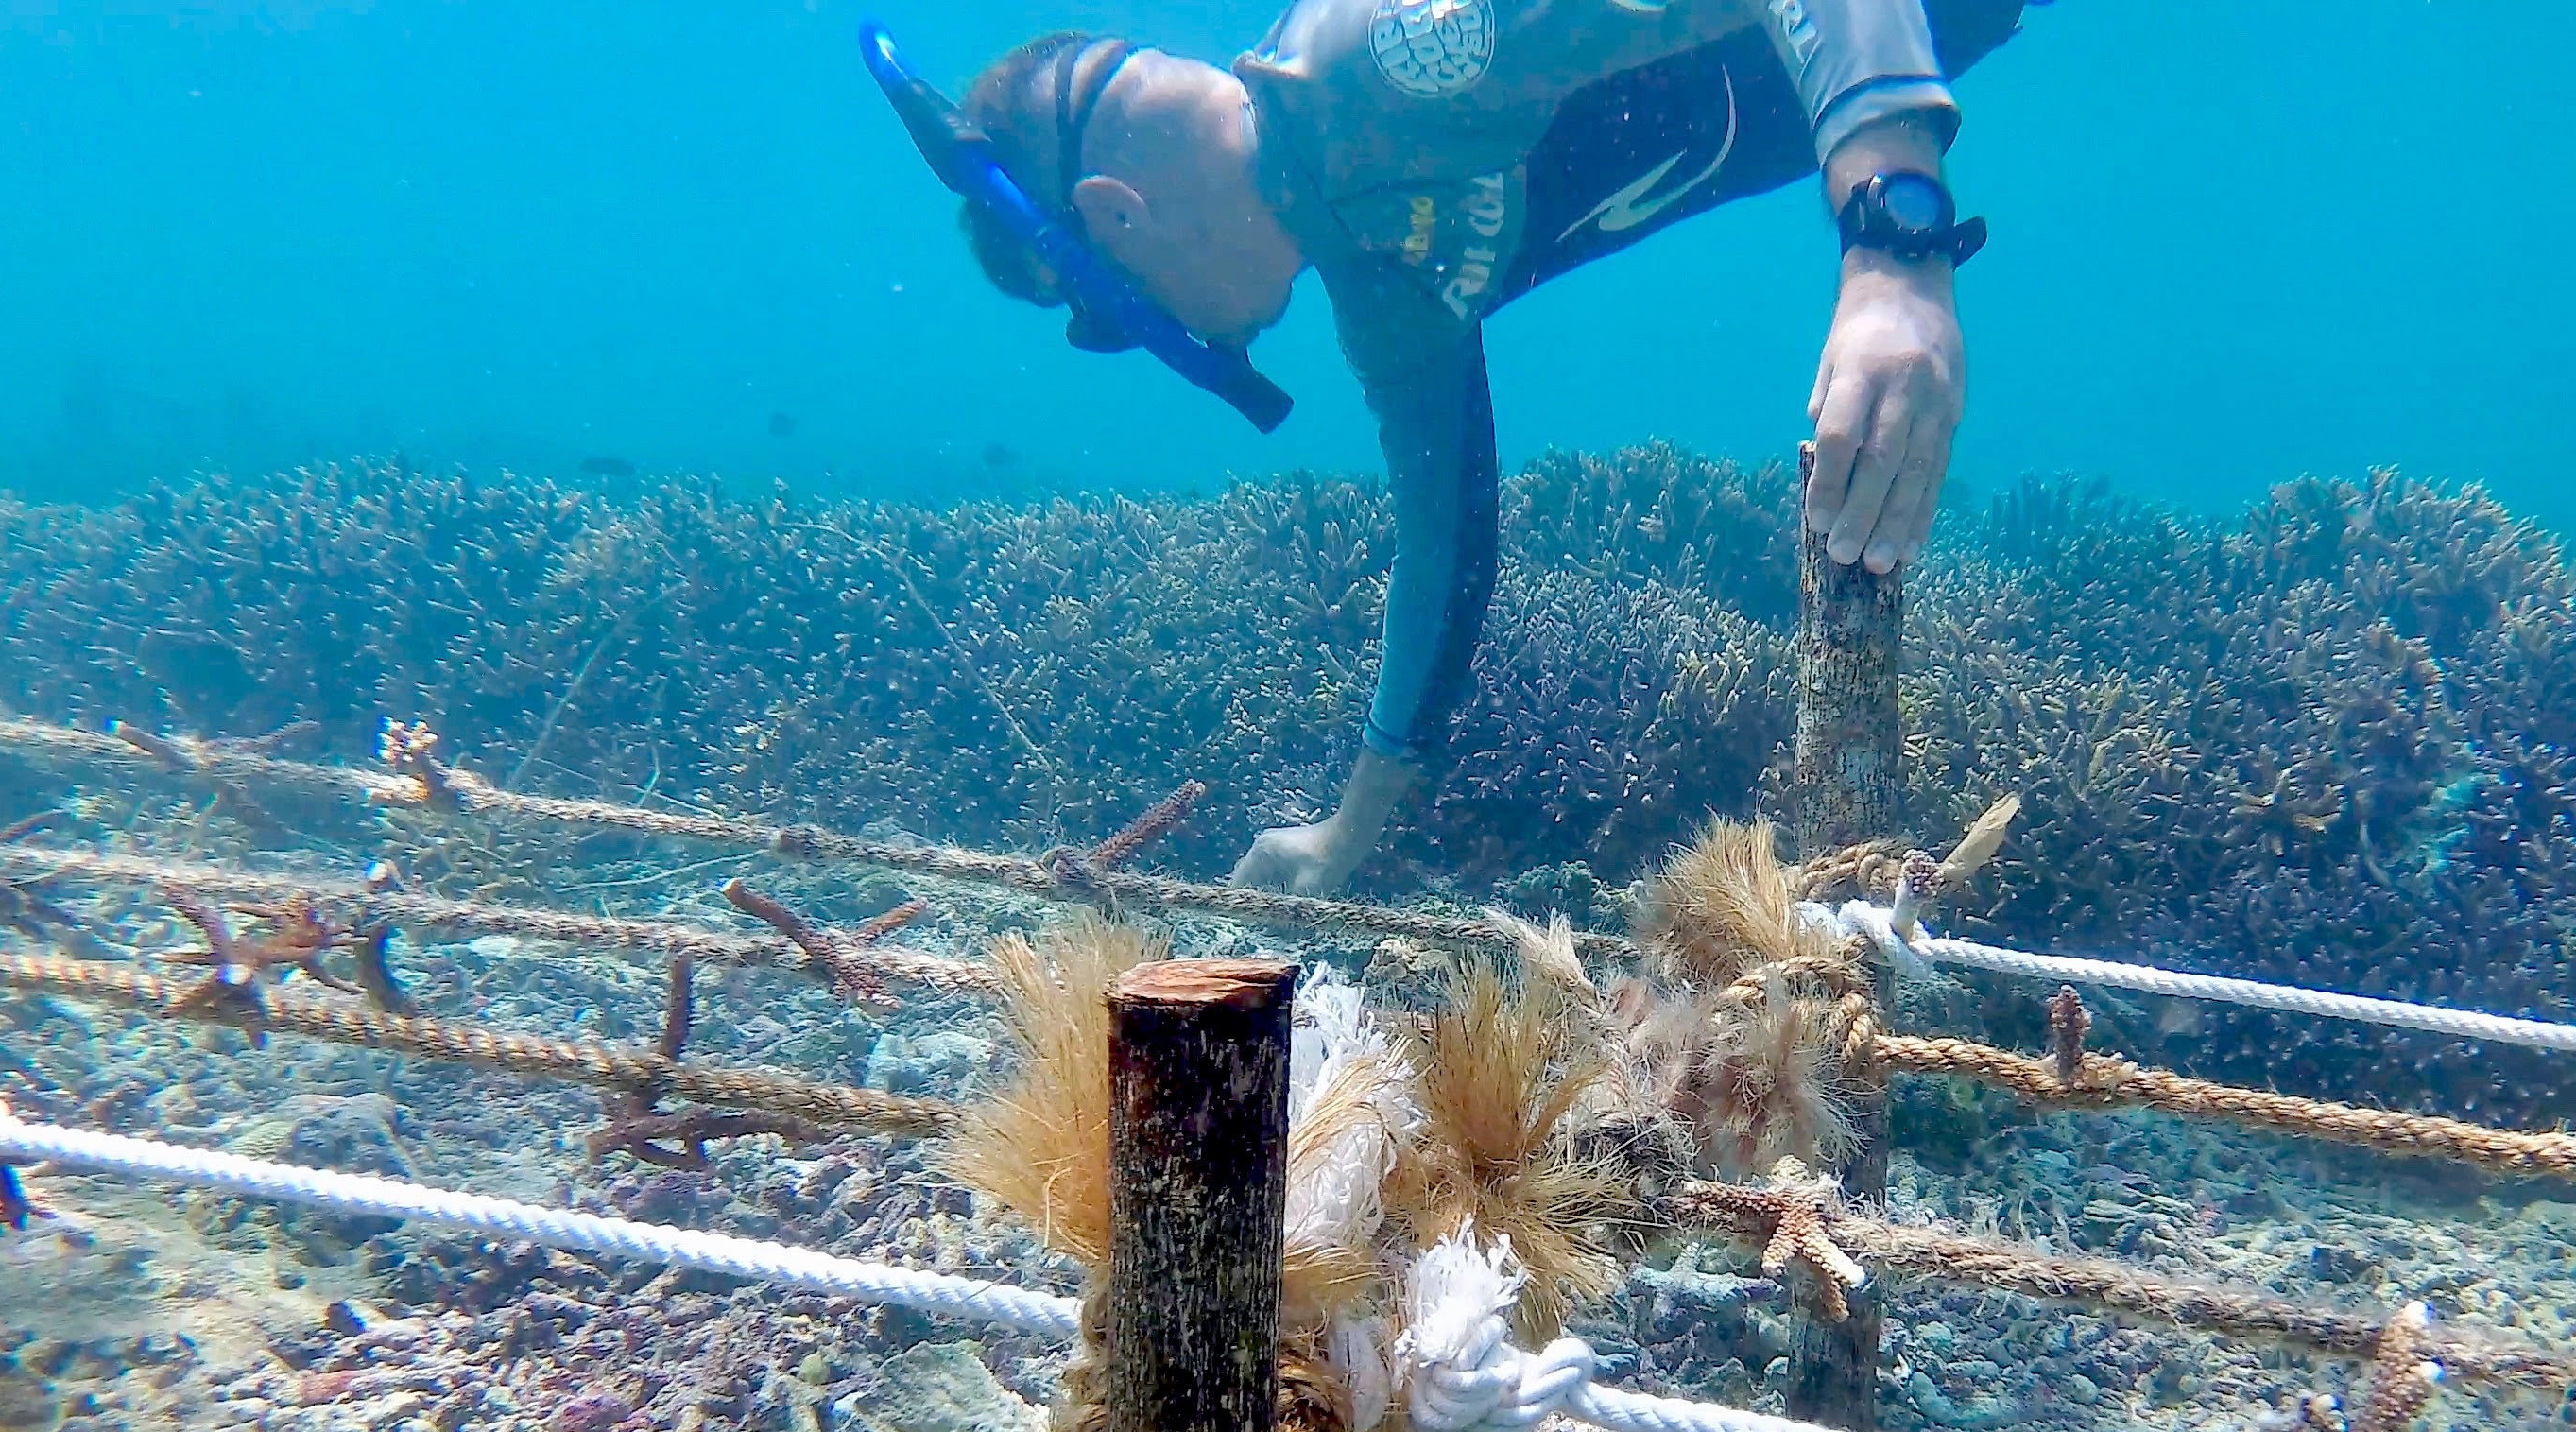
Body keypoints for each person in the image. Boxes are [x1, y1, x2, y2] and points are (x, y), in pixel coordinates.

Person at [867, 0, 2032, 892]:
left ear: (1119, 214)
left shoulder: (1381, 57)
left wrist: (1894, 252)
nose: (1189, 340)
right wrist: (1346, 834)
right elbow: (1447, 544)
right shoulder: (1378, 274)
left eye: (1126, 320)